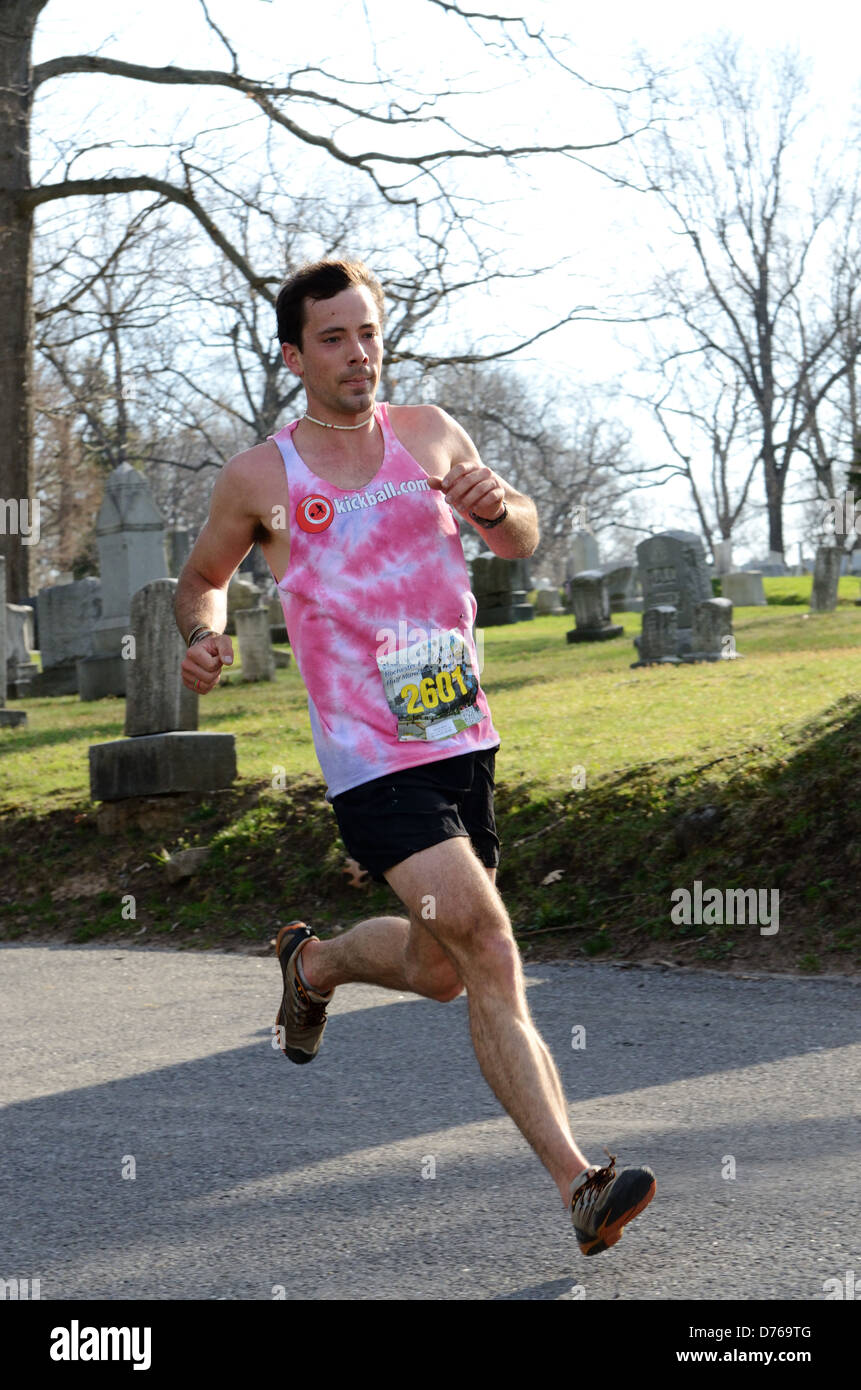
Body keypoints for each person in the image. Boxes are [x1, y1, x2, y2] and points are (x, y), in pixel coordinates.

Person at [174, 258, 655, 1256]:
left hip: (459, 739)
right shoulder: (264, 477)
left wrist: (495, 503)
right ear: (295, 353)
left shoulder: (431, 433)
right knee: (487, 939)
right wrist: (204, 632)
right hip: (368, 759)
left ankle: (314, 965)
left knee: (443, 969)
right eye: (335, 338)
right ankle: (580, 1184)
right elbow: (204, 577)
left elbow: (520, 537)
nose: (359, 354)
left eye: (369, 333)